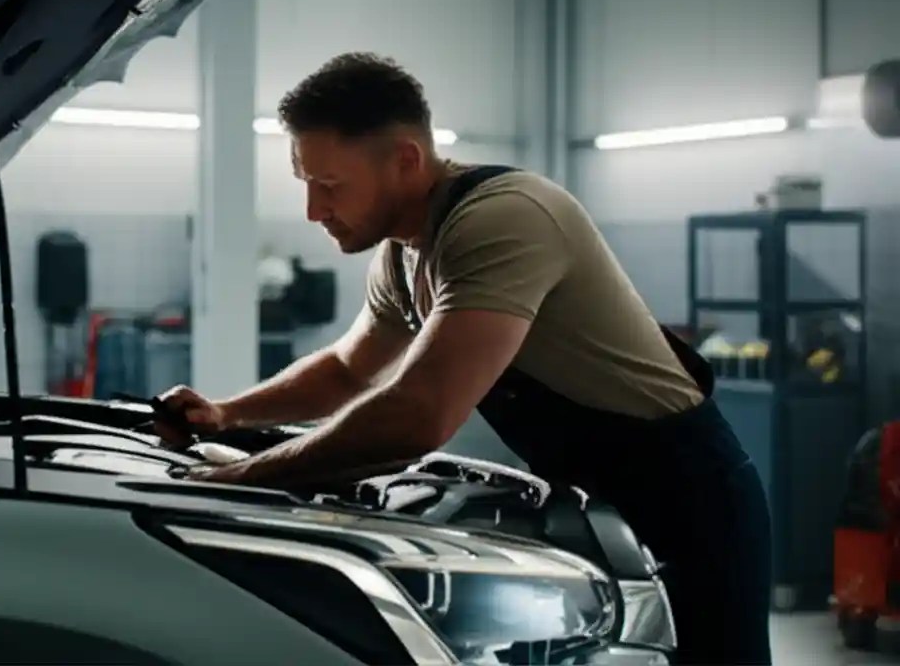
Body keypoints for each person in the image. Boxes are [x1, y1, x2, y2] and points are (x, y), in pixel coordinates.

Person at [155, 52, 772, 665]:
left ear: (405, 160)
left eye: (330, 186)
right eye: (306, 185)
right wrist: (227, 414)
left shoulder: (505, 218)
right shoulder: (403, 253)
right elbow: (347, 370)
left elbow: (419, 416)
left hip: (692, 501)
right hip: (595, 503)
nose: (314, 210)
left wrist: (241, 480)